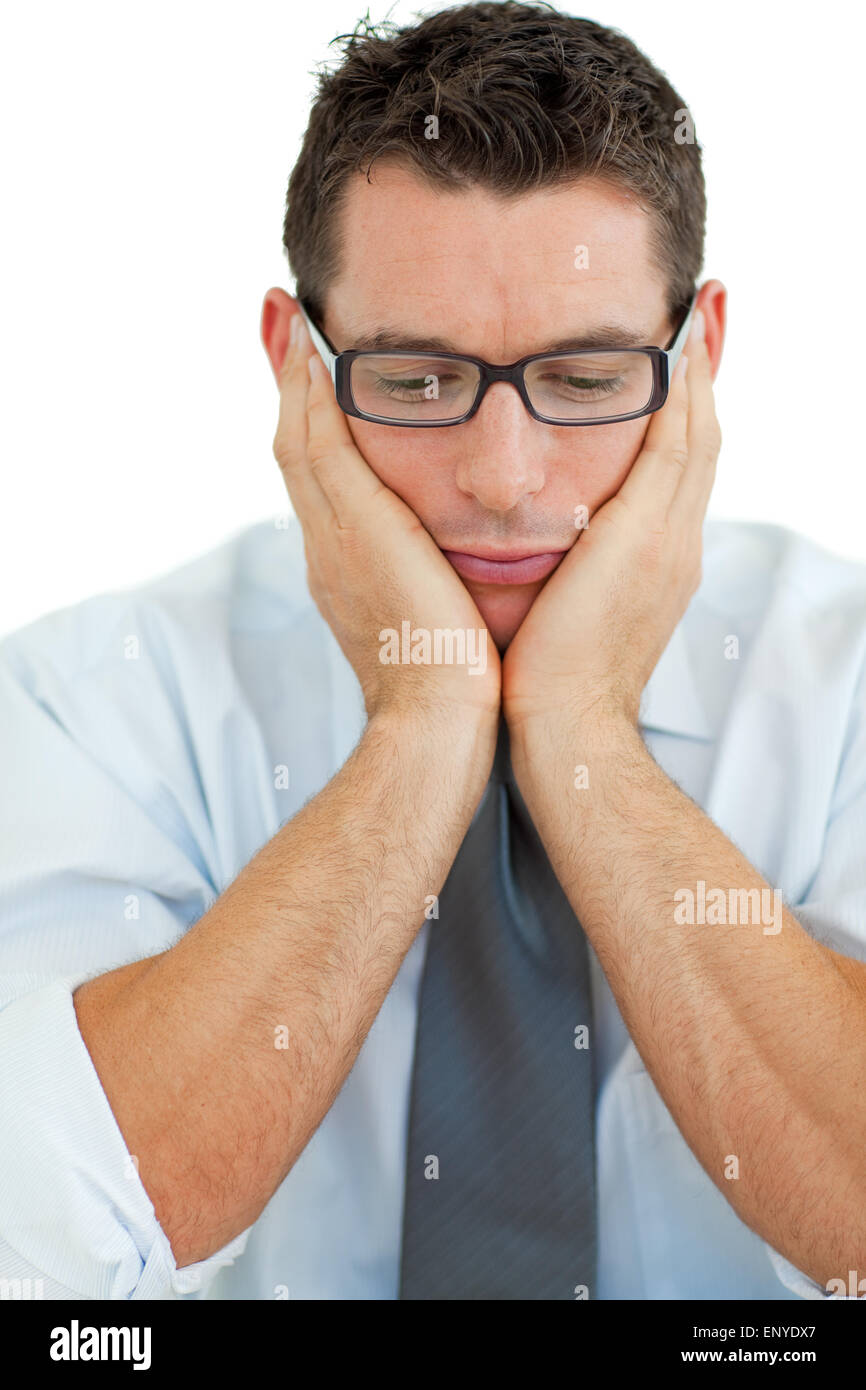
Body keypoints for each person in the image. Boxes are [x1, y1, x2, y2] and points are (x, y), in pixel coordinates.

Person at [1, 0, 865, 1302]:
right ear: (297, 363)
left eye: (582, 378)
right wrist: (421, 729)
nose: (503, 480)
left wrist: (577, 737)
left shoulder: (843, 682)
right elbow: (49, 1246)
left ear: (700, 361)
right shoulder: (91, 701)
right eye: (413, 380)